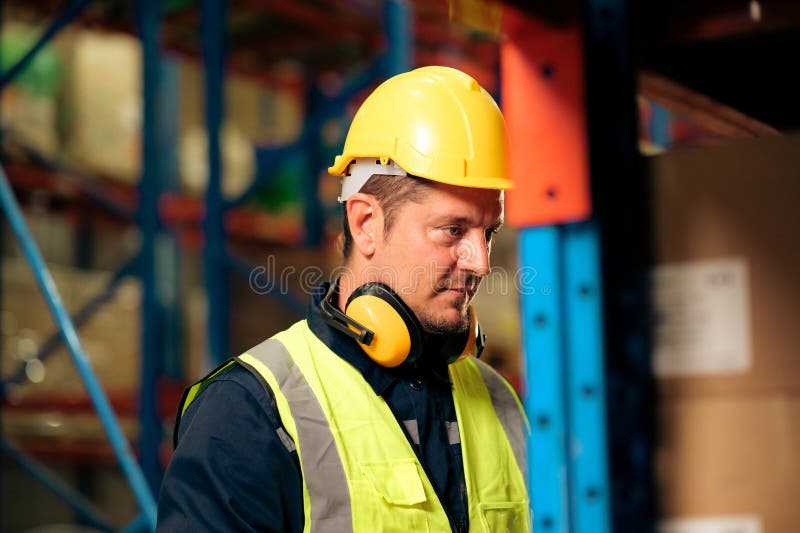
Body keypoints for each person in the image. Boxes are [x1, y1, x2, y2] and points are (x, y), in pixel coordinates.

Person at [157, 65, 530, 533]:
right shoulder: (247, 413)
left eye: (488, 232)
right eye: (453, 230)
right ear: (366, 223)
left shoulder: (501, 401)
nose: (479, 261)